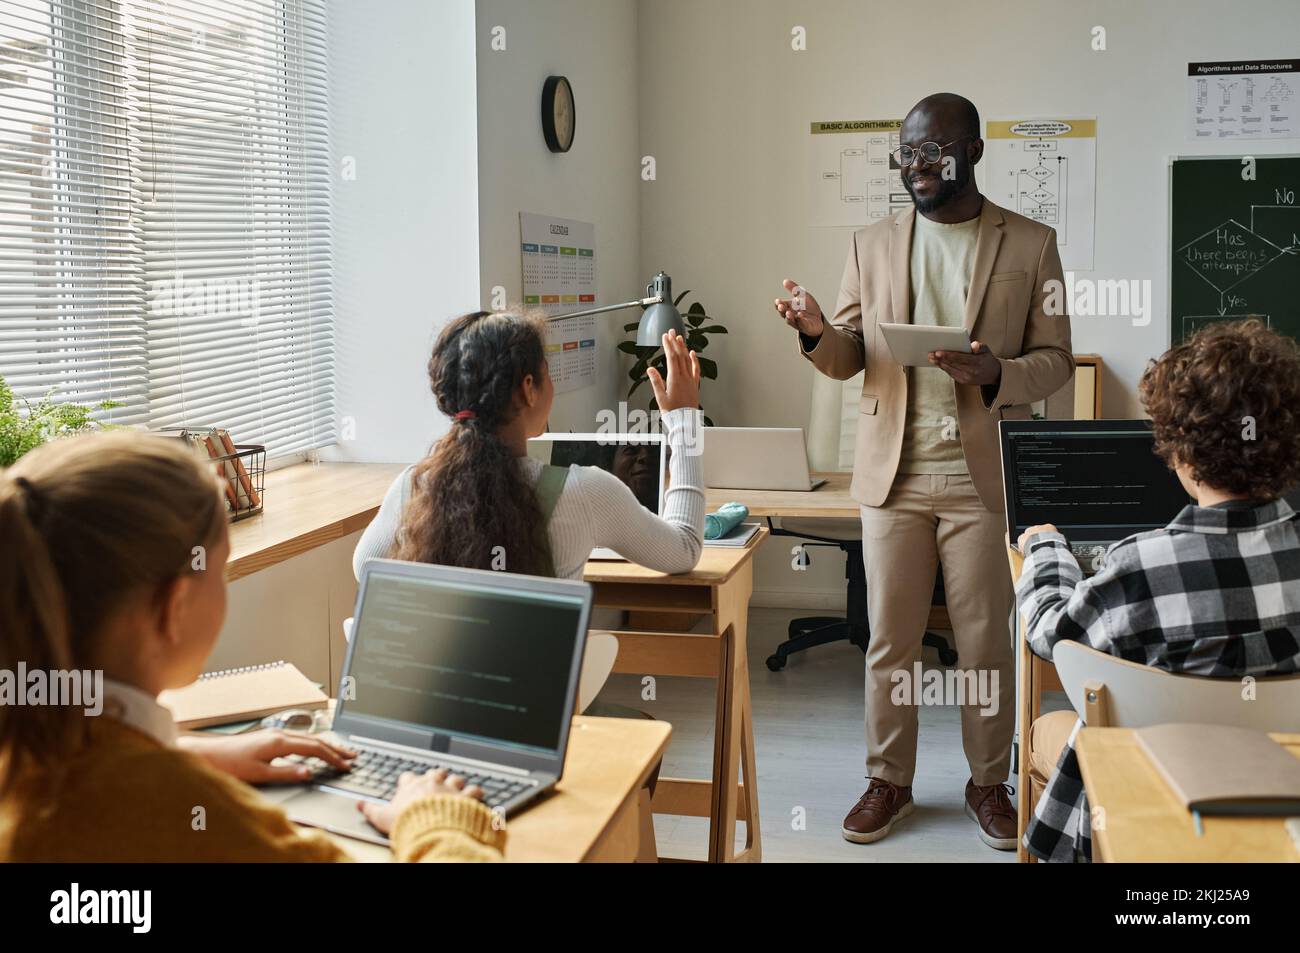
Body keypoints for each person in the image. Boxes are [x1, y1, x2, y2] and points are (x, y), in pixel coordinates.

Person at [774, 92, 1073, 849]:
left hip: (979, 480)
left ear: (972, 150)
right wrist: (815, 331)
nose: (916, 167)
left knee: (983, 643)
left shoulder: (1032, 243)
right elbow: (849, 356)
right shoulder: (868, 243)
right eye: (904, 154)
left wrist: (993, 369)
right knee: (890, 641)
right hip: (892, 474)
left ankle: (987, 783)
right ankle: (889, 780)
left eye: (931, 152)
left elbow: (1057, 361)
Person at [0, 430, 503, 862]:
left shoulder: (30, 750)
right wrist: (434, 818)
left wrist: (187, 756)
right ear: (173, 608)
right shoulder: (196, 820)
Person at [1017, 319, 1300, 862]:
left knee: (1050, 727)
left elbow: (1050, 635)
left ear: (1180, 453)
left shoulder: (1141, 567)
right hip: (1283, 775)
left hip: (1157, 773)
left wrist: (1048, 549)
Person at [353, 310, 705, 581]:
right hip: (542, 679)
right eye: (547, 373)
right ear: (528, 388)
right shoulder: (585, 493)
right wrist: (684, 418)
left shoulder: (413, 490)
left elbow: (365, 569)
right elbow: (683, 549)